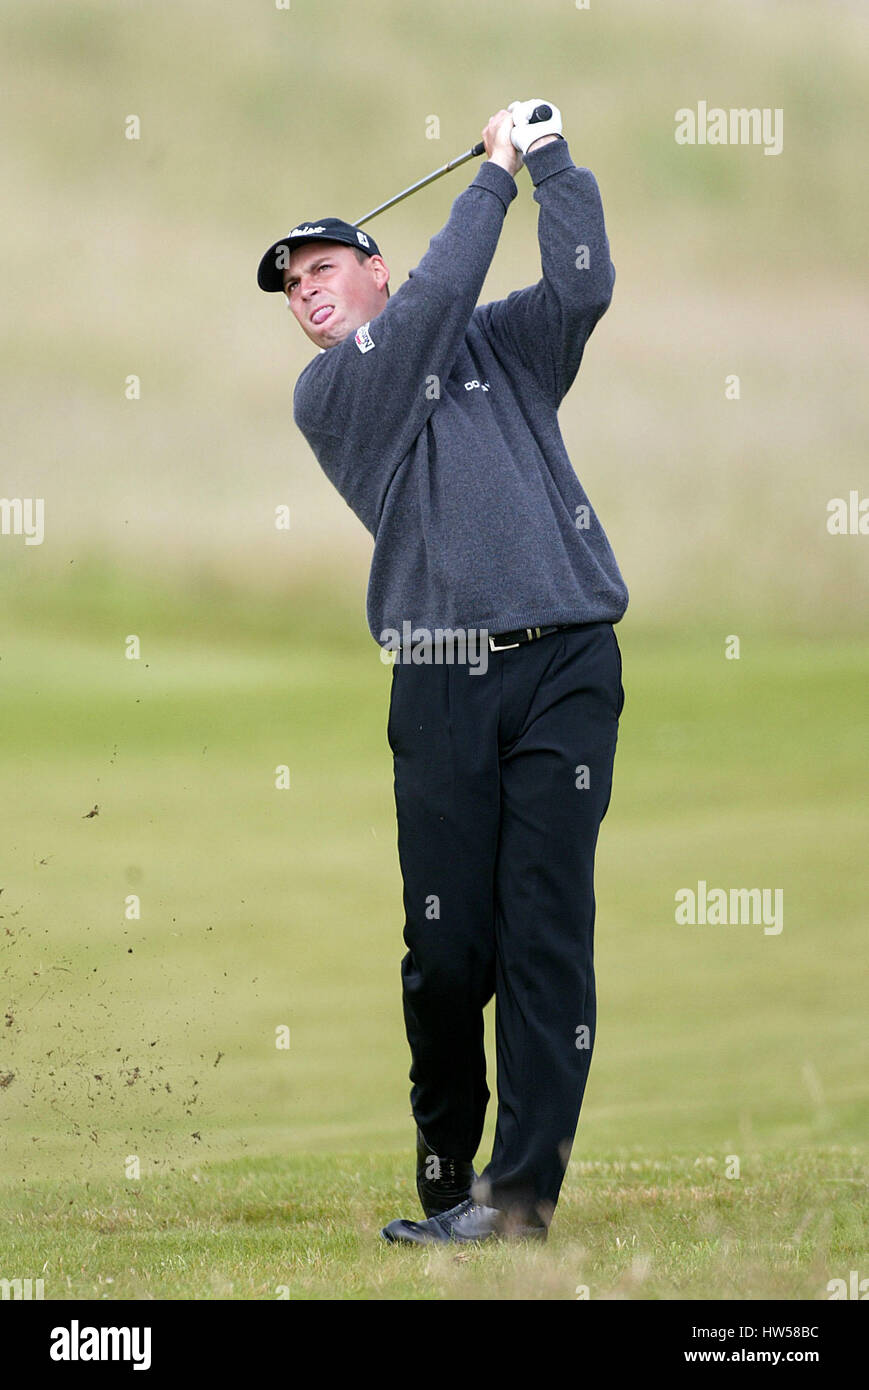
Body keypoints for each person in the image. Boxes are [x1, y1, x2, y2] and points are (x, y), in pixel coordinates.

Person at [256, 103, 627, 1245]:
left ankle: (516, 1205)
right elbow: (427, 315)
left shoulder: (503, 349)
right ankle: (442, 1165)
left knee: (542, 932)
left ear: (373, 263)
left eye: (323, 268)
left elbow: (580, 285)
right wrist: (489, 178)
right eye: (290, 287)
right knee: (447, 950)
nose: (307, 292)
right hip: (438, 678)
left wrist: (550, 156)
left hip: (564, 655)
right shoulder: (333, 395)